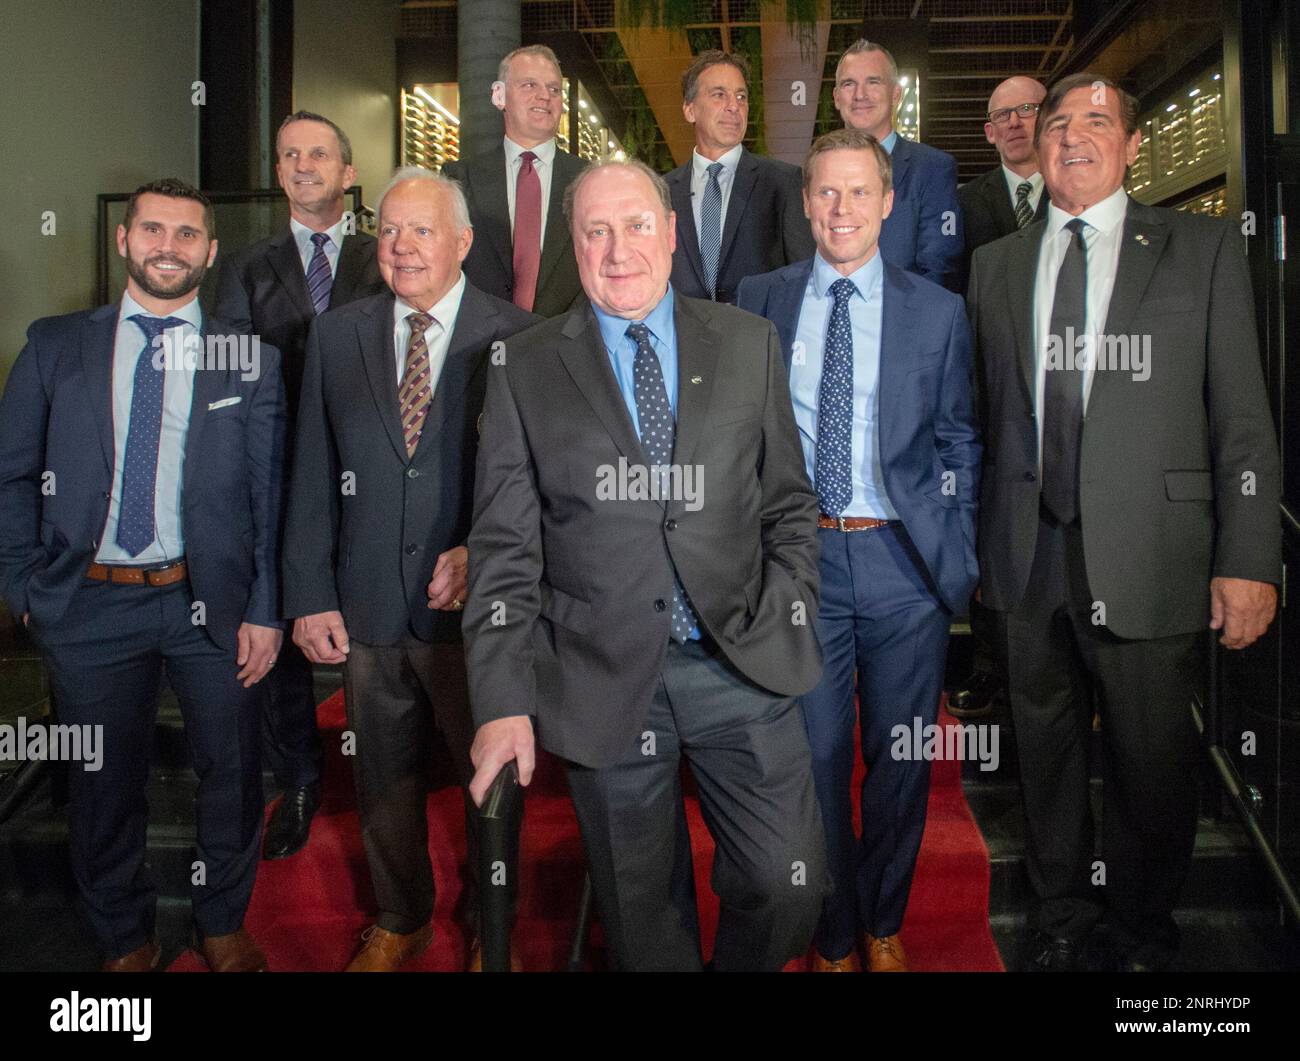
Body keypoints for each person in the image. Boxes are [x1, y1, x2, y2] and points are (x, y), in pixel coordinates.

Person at [463, 160, 828, 971]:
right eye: (595, 230)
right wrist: (502, 698)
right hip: (600, 673)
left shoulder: (746, 341)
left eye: (635, 225)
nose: (617, 249)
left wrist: (787, 598)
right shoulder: (521, 368)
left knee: (789, 883)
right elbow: (503, 551)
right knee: (640, 921)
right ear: (574, 243)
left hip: (740, 660)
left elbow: (788, 504)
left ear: (670, 234)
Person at [967, 73, 1281, 972]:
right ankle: (1063, 919)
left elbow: (1245, 422)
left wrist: (1251, 556)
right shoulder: (996, 265)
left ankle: (1144, 931)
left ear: (1133, 144)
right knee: (1048, 756)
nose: (1072, 135)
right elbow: (987, 420)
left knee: (1152, 765)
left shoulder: (1203, 249)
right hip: (1030, 562)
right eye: (1058, 121)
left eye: (1097, 121)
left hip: (1153, 556)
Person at [0, 178, 285, 972]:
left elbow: (271, 495)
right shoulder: (56, 346)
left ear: (211, 251)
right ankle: (125, 933)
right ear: (124, 240)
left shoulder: (249, 357)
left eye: (188, 234)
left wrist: (266, 607)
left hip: (213, 605)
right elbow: (11, 476)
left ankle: (221, 919)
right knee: (100, 784)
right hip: (88, 605)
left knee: (229, 772)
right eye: (153, 230)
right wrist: (25, 590)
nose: (170, 245)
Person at [282, 167, 536, 972]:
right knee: (381, 776)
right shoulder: (336, 334)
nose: (402, 246)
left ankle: (492, 923)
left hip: (475, 614)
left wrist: (482, 554)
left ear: (462, 242)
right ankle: (401, 914)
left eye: (422, 230)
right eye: (389, 231)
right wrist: (310, 592)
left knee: (490, 779)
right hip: (366, 608)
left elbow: (535, 481)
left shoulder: (520, 336)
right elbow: (312, 473)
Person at [738, 129, 979, 972]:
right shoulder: (758, 298)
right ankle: (834, 932)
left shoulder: (937, 310)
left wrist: (960, 550)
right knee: (815, 755)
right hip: (800, 562)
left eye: (858, 193)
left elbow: (958, 439)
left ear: (888, 203)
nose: (841, 209)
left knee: (900, 758)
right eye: (826, 193)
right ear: (806, 203)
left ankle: (883, 921)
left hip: (901, 564)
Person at [215, 110, 386, 859]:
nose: (305, 164)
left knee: (381, 632)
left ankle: (393, 777)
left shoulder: (389, 256)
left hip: (376, 472)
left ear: (349, 172)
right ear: (279, 173)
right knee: (284, 634)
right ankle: (305, 777)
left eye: (320, 152)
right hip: (282, 477)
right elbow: (225, 382)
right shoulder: (245, 270)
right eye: (290, 155)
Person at [950, 75, 1048, 720]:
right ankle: (991, 670)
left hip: (1068, 390)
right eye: (1001, 115)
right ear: (989, 132)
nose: (1015, 122)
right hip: (990, 385)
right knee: (996, 532)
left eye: (1028, 111)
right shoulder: (962, 202)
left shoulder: (1079, 196)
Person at [443, 45, 586, 317]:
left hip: (564, 343)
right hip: (480, 344)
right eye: (529, 85)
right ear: (499, 95)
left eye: (554, 89)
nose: (544, 96)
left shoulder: (590, 181)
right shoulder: (459, 178)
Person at [664, 49, 814, 304]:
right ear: (690, 111)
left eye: (741, 96)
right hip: (683, 339)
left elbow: (804, 275)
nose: (734, 106)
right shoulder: (662, 191)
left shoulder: (783, 183)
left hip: (758, 337)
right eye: (719, 95)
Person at [832, 39, 962, 292]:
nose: (860, 95)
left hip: (904, 322)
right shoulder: (816, 172)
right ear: (837, 98)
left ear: (896, 95)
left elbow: (940, 267)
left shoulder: (933, 168)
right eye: (849, 84)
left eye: (873, 82)